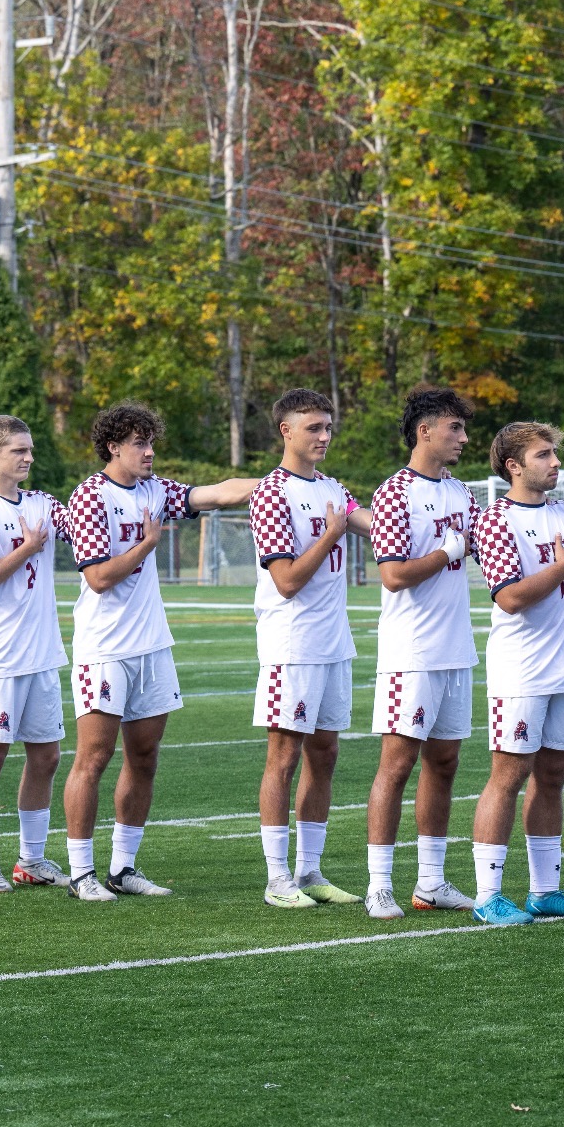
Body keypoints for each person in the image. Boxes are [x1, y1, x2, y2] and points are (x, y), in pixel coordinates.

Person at [62, 402, 259, 901]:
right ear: (113, 446)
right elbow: (99, 578)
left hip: (152, 646)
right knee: (94, 757)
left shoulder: (156, 490)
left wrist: (277, 482)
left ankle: (123, 868)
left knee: (144, 757)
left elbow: (215, 494)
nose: (149, 452)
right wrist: (148, 545)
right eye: (139, 443)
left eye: (151, 442)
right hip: (104, 648)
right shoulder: (89, 497)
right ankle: (81, 873)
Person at [466, 422, 564, 924]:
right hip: (520, 670)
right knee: (507, 776)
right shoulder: (496, 521)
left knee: (553, 777)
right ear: (514, 466)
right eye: (544, 455)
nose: (555, 463)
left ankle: (546, 891)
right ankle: (487, 896)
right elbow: (509, 597)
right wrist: (562, 570)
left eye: (554, 454)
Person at [248, 388, 372, 909]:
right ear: (286, 430)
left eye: (328, 427)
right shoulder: (271, 492)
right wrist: (329, 534)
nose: (324, 437)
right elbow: (286, 581)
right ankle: (278, 879)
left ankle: (310, 870)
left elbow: (371, 524)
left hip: (332, 642)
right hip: (291, 644)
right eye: (314, 428)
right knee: (284, 757)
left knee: (325, 754)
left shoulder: (330, 486)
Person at [363, 387, 482, 920]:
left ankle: (431, 881)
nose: (463, 437)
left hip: (457, 648)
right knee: (397, 764)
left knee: (446, 763)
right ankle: (379, 885)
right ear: (425, 431)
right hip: (410, 652)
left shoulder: (462, 493)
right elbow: (393, 576)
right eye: (454, 428)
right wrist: (448, 550)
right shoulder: (394, 493)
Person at [0, 416, 71, 893]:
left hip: (42, 654)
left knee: (46, 757)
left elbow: (82, 526)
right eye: (18, 450)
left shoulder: (43, 503)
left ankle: (32, 860)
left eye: (29, 449)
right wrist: (26, 549)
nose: (27, 457)